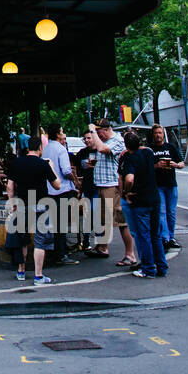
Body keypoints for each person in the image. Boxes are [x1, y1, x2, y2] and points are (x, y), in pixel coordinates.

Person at [7, 142, 61, 284]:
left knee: (22, 239)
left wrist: (12, 202)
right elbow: (57, 185)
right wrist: (52, 168)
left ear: (27, 148)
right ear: (40, 148)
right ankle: (38, 276)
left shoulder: (16, 163)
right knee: (39, 241)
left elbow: (10, 186)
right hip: (41, 204)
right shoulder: (43, 164)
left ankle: (21, 271)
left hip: (22, 204)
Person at [119, 130, 167, 279]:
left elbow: (129, 179)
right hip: (154, 198)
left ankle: (148, 268)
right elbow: (144, 149)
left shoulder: (128, 158)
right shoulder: (148, 153)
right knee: (155, 235)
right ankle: (161, 266)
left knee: (143, 235)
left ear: (126, 146)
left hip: (139, 201)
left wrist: (126, 192)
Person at [85, 119, 133, 263]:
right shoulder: (105, 140)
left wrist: (93, 131)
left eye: (99, 133)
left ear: (105, 130)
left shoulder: (117, 140)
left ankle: (130, 254)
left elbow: (103, 149)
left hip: (112, 186)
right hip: (101, 184)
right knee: (102, 220)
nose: (97, 136)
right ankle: (102, 247)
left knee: (120, 221)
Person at [45, 124, 79, 266]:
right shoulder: (60, 149)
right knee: (62, 224)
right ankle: (61, 254)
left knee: (54, 223)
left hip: (49, 189)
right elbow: (66, 170)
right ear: (58, 134)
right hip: (62, 189)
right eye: (62, 131)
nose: (63, 134)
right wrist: (75, 180)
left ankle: (55, 251)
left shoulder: (46, 148)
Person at [148, 124, 184, 250]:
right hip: (158, 185)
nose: (158, 135)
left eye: (160, 132)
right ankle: (165, 238)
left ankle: (171, 236)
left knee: (171, 212)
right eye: (156, 133)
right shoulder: (150, 149)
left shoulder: (170, 147)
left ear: (163, 134)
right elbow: (146, 168)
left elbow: (182, 163)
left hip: (171, 184)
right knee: (161, 212)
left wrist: (176, 165)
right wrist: (157, 165)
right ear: (153, 134)